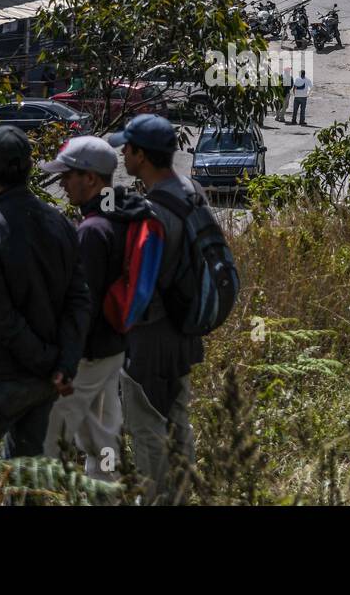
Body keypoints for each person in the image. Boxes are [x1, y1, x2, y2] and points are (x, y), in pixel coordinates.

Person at [0, 125, 91, 459]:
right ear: (30, 169)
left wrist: (47, 362)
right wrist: (62, 364)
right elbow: (80, 300)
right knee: (24, 482)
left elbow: (1, 318)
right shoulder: (61, 223)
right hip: (46, 382)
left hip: (3, 378)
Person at [108, 114, 211, 502]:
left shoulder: (151, 212)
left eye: (128, 149)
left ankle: (157, 499)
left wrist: (120, 330)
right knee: (178, 420)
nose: (123, 155)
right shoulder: (192, 190)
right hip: (185, 333)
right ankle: (182, 495)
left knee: (148, 429)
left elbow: (140, 287)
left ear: (141, 156)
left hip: (150, 339)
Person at [41, 137, 127, 481]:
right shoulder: (121, 217)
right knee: (102, 440)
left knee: (46, 440)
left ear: (90, 178)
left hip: (87, 357)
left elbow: (81, 305)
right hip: (113, 350)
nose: (62, 183)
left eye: (68, 175)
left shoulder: (91, 231)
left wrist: (64, 362)